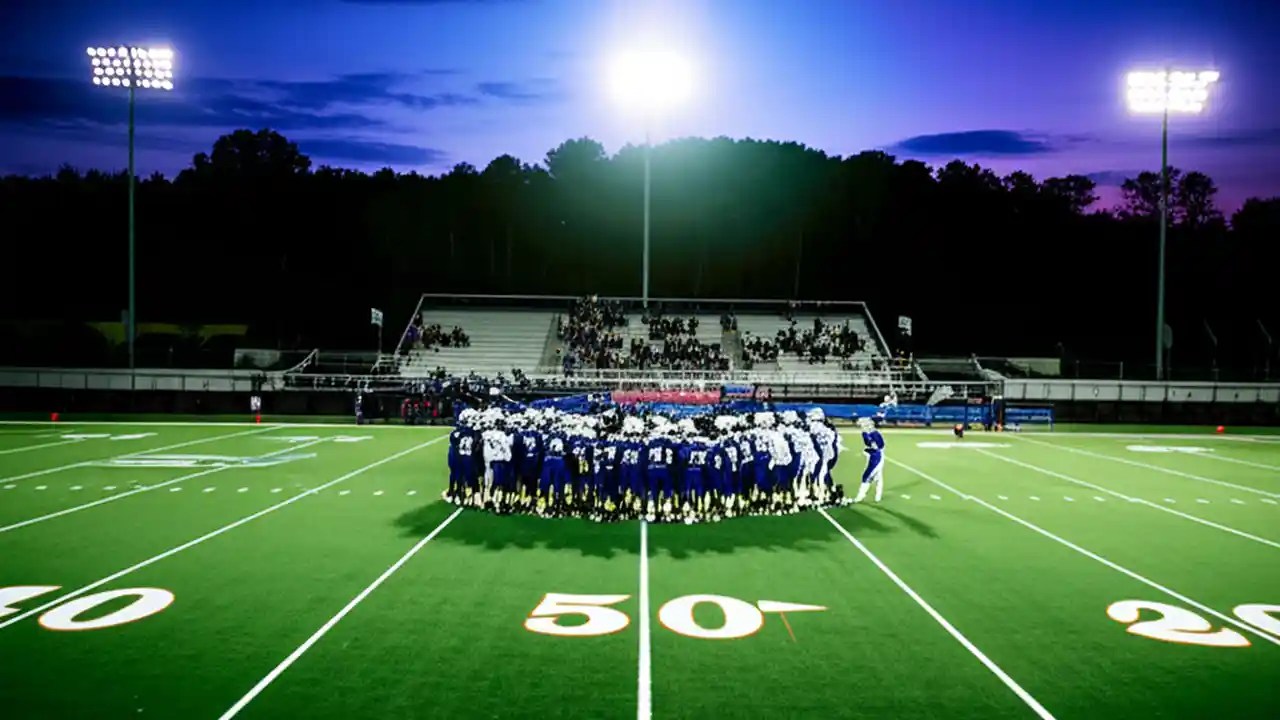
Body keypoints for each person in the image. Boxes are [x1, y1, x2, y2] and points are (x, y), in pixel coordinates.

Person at [853, 417, 885, 503]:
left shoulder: (874, 434)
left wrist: (869, 446)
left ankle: (860, 496)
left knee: (867, 476)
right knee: (878, 477)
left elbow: (877, 446)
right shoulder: (870, 433)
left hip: (876, 457)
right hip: (874, 456)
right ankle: (878, 496)